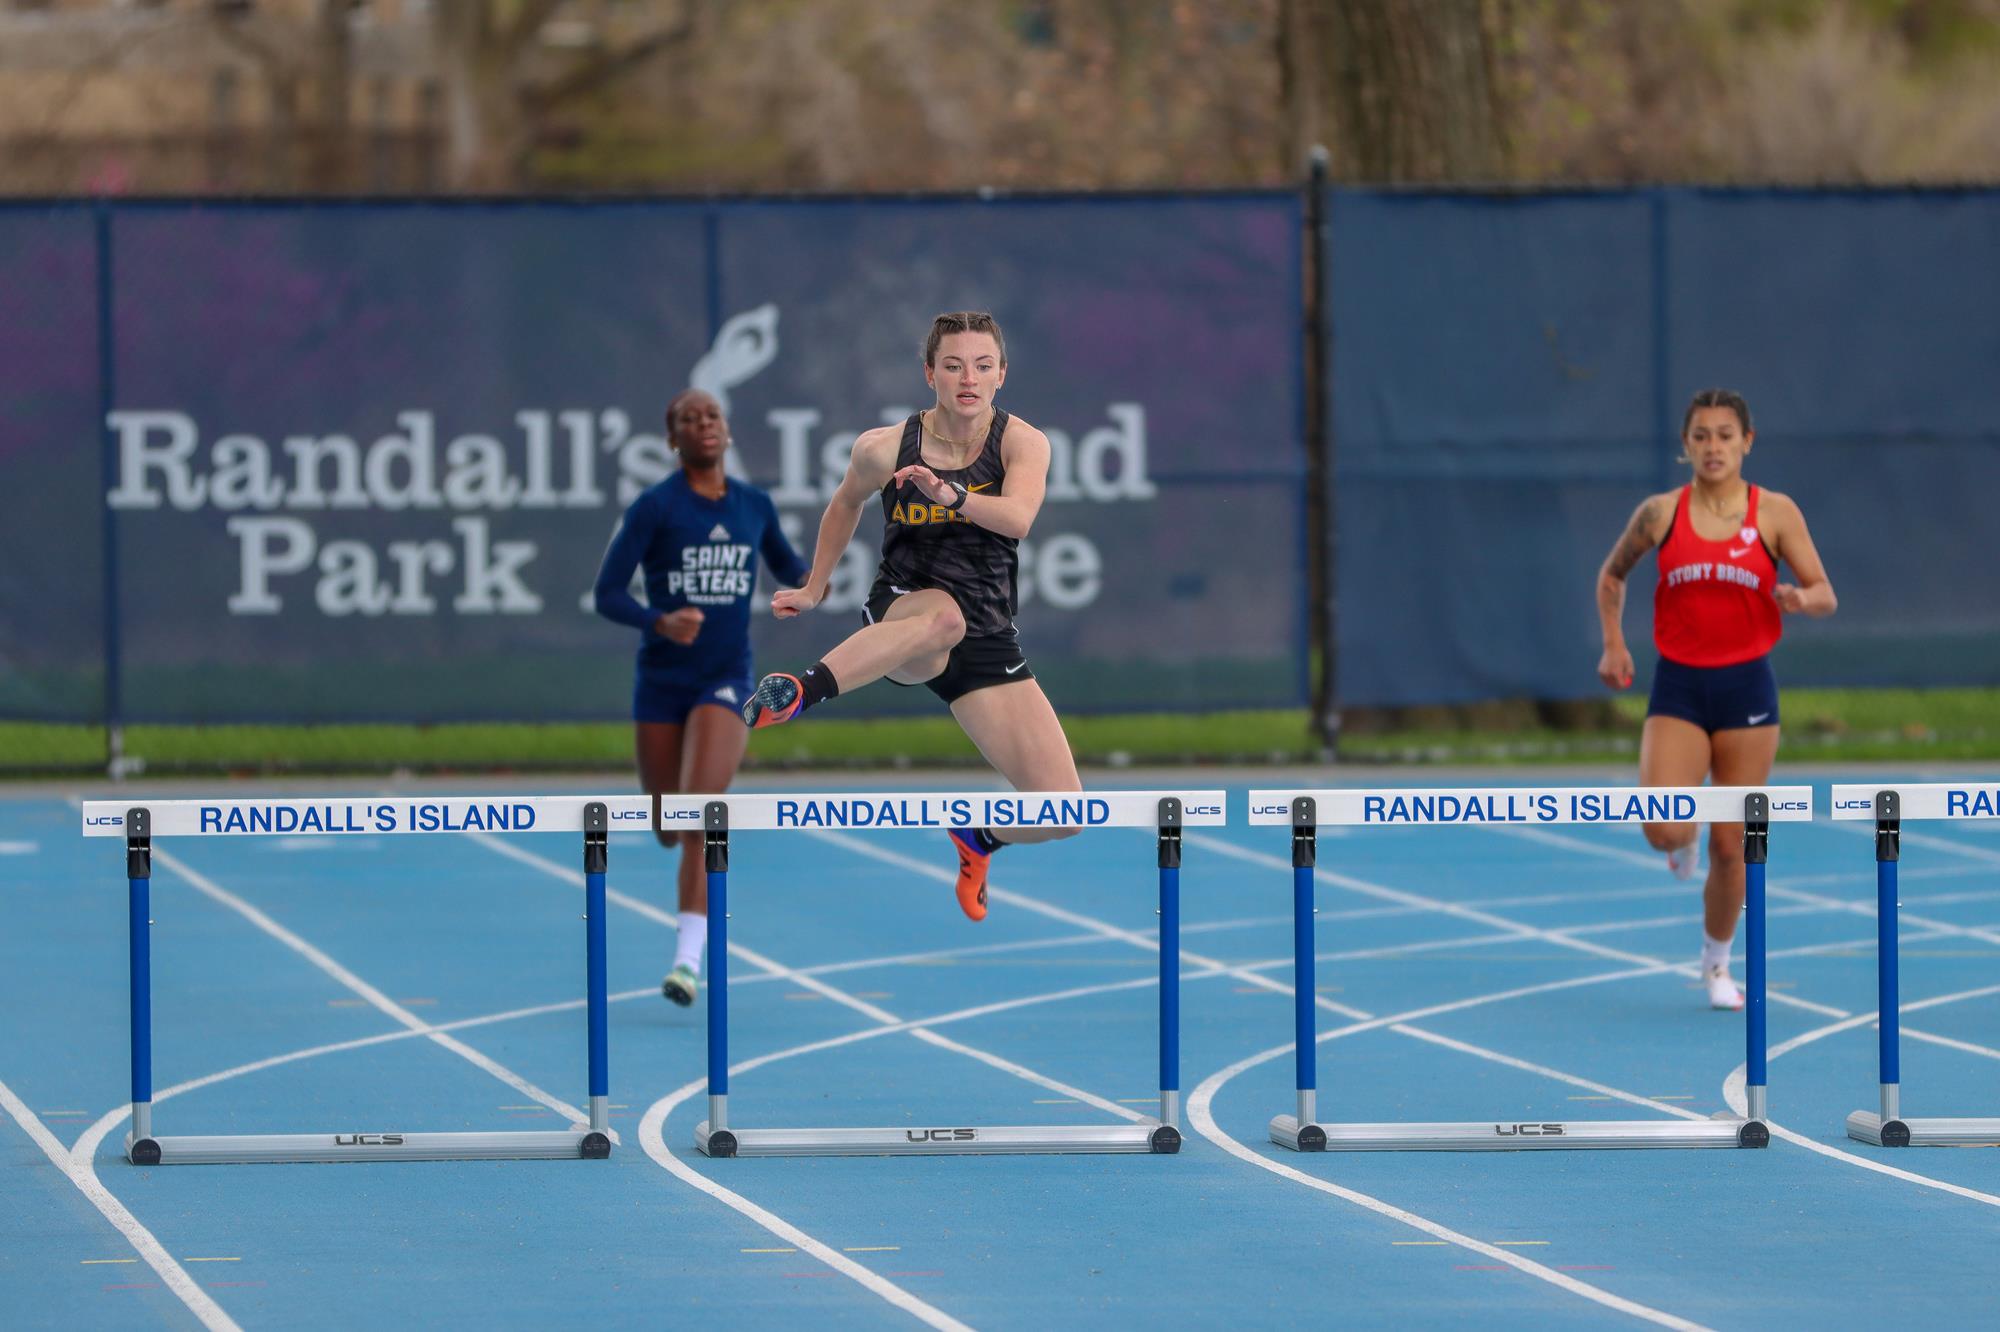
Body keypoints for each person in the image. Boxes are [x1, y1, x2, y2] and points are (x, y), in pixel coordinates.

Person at [741, 310, 1082, 923]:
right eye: (953, 366)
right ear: (931, 374)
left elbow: (1020, 519)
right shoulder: (883, 448)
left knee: (1063, 813)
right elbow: (844, 504)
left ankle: (980, 839)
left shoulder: (1022, 442)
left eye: (982, 366)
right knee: (942, 619)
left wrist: (951, 495)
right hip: (906, 608)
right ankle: (799, 690)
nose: (967, 379)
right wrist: (815, 587)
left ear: (1001, 375)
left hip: (987, 632)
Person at [1595, 388, 1837, 1009]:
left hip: (1747, 690)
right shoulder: (1659, 513)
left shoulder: (1776, 513)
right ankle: (1685, 839)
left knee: (1736, 846)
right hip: (1680, 685)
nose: (1713, 447)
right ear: (1686, 446)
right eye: (1701, 435)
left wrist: (1800, 600)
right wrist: (1614, 646)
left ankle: (1716, 965)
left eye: (1725, 435)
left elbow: (1824, 593)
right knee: (1663, 829)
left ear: (1746, 442)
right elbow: (1613, 573)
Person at [594, 389, 809, 1006]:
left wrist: (817, 578)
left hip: (728, 678)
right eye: (689, 419)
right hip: (663, 681)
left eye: (711, 415)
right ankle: (682, 869)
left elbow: (795, 571)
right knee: (667, 822)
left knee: (696, 812)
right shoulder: (655, 508)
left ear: (728, 431)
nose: (703, 425)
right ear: (673, 439)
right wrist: (658, 621)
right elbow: (607, 594)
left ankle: (688, 962)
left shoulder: (754, 506)